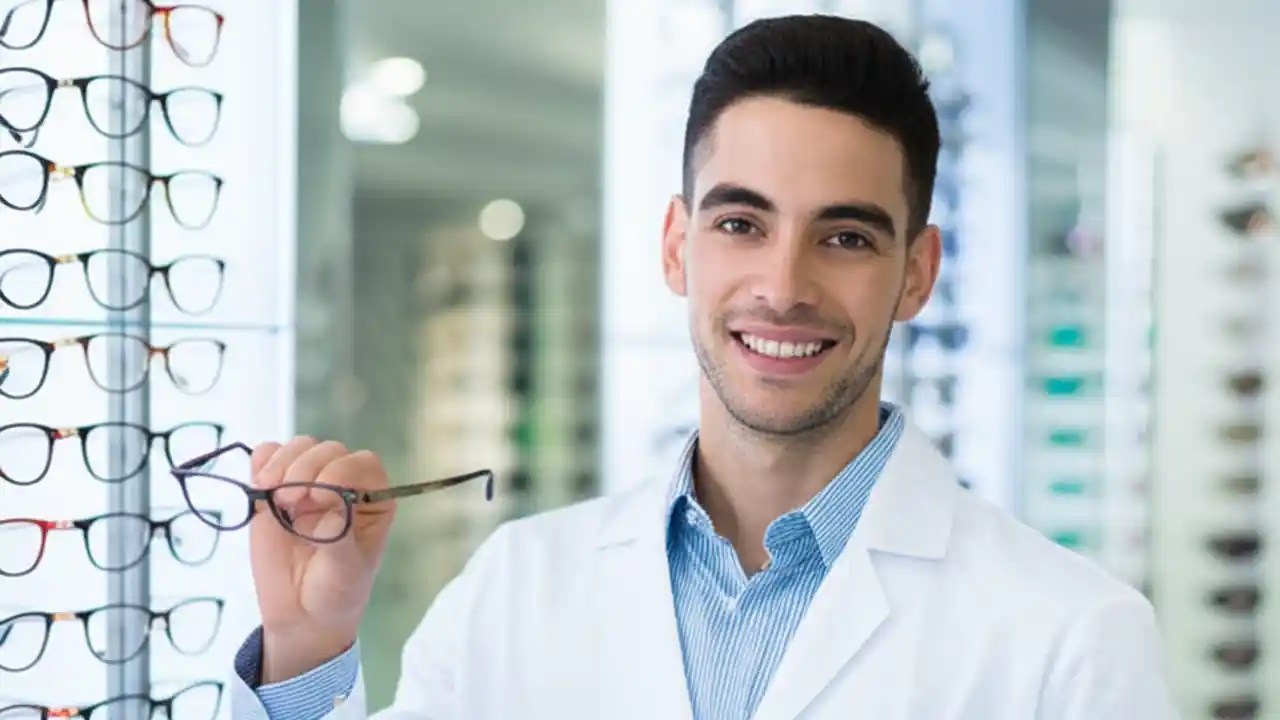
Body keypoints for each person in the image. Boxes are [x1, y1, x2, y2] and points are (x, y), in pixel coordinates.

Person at [230, 14, 1178, 720]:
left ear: (918, 273)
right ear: (677, 245)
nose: (783, 286)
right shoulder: (518, 586)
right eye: (740, 223)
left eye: (846, 237)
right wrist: (309, 647)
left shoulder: (1072, 637)